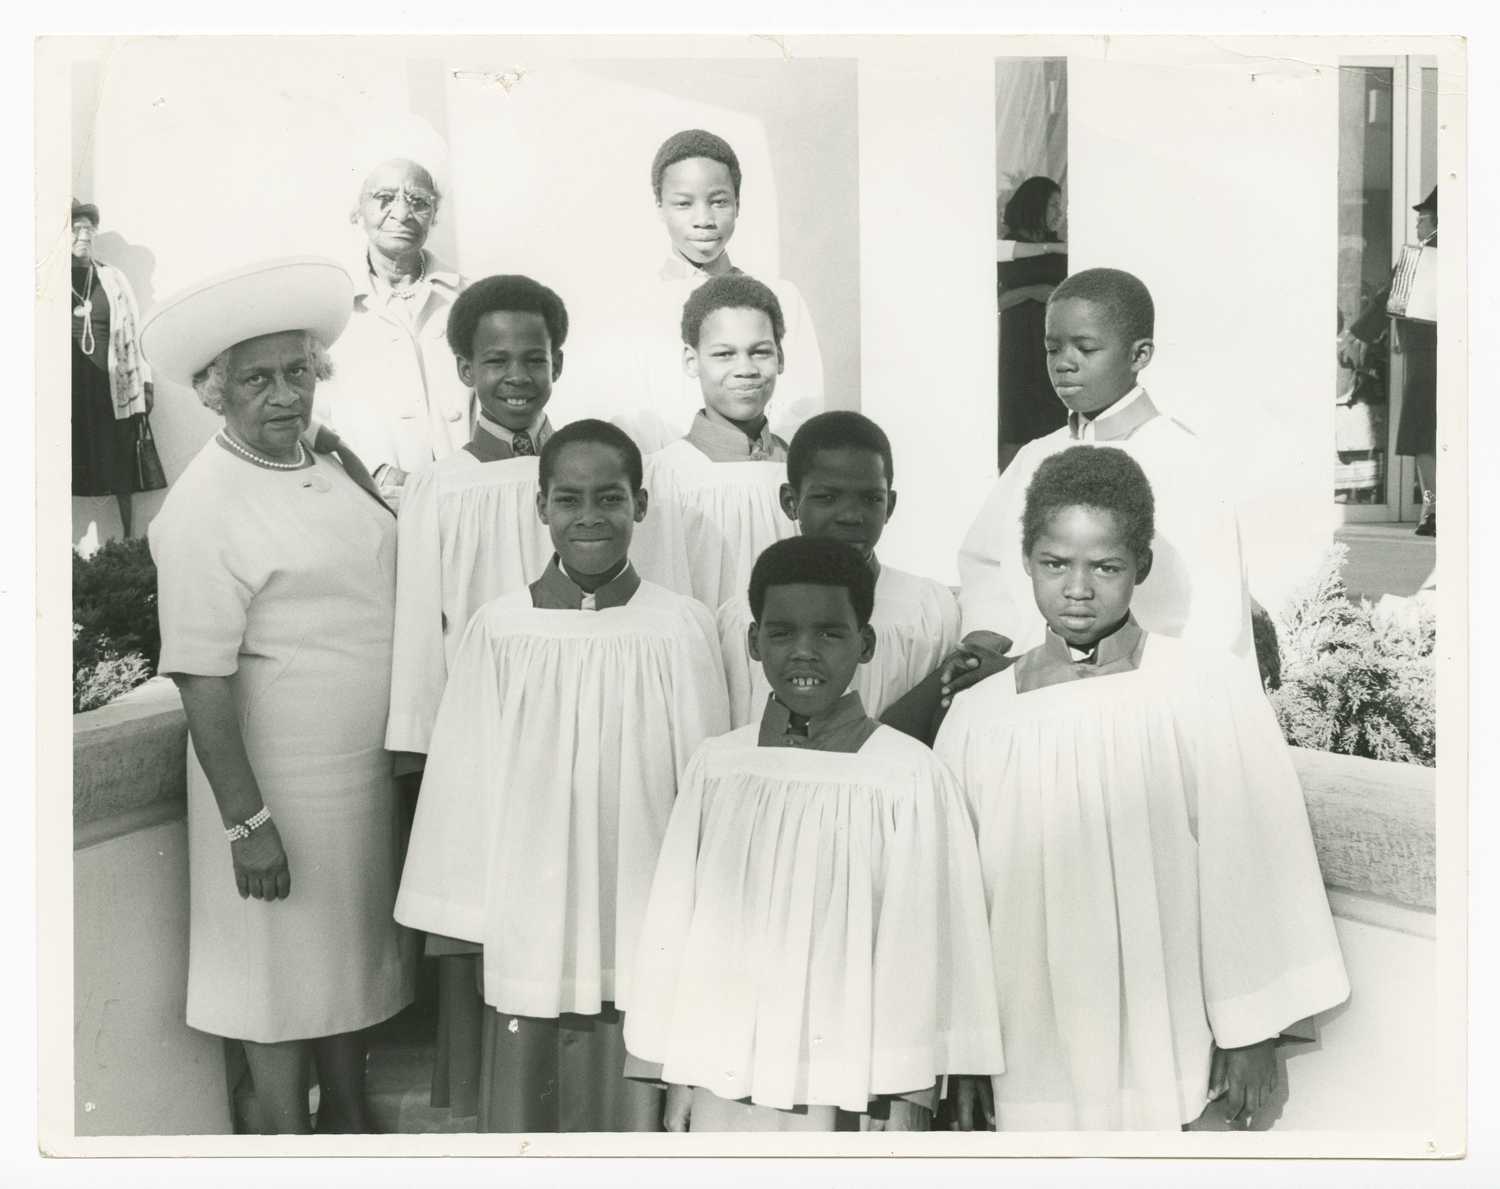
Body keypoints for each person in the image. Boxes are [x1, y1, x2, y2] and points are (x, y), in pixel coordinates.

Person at [935, 447, 1348, 1131]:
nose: (1077, 588)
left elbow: (1248, 856)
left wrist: (1251, 1029)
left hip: (1163, 1015)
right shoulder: (981, 716)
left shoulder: (1201, 689)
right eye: (1054, 564)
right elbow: (952, 896)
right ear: (1026, 560)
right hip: (1023, 1030)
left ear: (1142, 567)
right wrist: (965, 1051)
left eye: (1106, 567)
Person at [394, 420, 731, 1132]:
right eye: (569, 498)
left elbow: (708, 790)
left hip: (642, 908)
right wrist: (468, 932)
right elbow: (464, 792)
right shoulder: (500, 630)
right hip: (530, 909)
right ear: (540, 507)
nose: (589, 517)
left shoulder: (680, 627)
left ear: (641, 505)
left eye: (610, 498)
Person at [142, 257, 414, 1134]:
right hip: (274, 790)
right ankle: (285, 1147)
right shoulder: (200, 506)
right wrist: (247, 823)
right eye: (257, 378)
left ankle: (345, 1114)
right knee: (273, 981)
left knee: (339, 971)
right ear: (216, 391)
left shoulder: (326, 463)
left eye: (298, 371)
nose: (284, 393)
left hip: (355, 781)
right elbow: (199, 675)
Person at [624, 538, 1004, 1132]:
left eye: (830, 634)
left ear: (866, 643)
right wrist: (678, 1074)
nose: (804, 653)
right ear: (753, 642)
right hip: (726, 1067)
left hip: (859, 1078)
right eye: (781, 633)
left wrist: (909, 1095)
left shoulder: (908, 774)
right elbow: (678, 926)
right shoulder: (718, 767)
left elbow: (930, 944)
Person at [888, 267, 1251, 743]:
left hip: (1130, 702)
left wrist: (1041, 667)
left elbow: (1207, 617)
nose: (1064, 363)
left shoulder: (1183, 462)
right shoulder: (1038, 454)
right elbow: (986, 563)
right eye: (1053, 348)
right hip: (1014, 685)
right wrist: (985, 642)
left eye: (1086, 348)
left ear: (1139, 354)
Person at [383, 273, 569, 1118]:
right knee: (488, 914)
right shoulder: (444, 486)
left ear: (557, 361)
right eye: (496, 359)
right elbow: (422, 629)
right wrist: (422, 754)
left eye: (534, 356)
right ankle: (496, 1106)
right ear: (463, 368)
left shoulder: (590, 471)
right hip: (483, 738)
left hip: (576, 727)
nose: (518, 376)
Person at [716, 411, 961, 725]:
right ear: (791, 502)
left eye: (871, 498)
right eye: (827, 497)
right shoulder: (743, 617)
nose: (851, 516)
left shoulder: (929, 609)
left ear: (890, 506)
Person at [610, 129, 825, 453]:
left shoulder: (781, 296)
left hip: (765, 473)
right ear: (659, 206)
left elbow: (803, 406)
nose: (704, 220)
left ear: (738, 203)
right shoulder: (638, 307)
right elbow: (631, 417)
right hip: (670, 484)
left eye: (719, 202)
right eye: (683, 204)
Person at [316, 152, 471, 509]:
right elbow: (312, 418)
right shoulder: (329, 307)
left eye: (418, 201)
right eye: (384, 199)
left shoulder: (469, 298)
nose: (401, 213)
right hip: (374, 500)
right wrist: (374, 471)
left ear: (435, 214)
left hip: (468, 497)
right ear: (357, 210)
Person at [634, 273, 799, 609]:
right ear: (691, 361)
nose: (746, 369)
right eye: (724, 354)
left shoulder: (801, 469)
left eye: (760, 352)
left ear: (780, 357)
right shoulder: (663, 478)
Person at [1347, 186, 1438, 536]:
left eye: (1421, 216)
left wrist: (1358, 335)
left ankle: (1434, 509)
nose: (1417, 223)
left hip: (1426, 355)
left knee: (1422, 434)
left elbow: (1392, 296)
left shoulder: (1427, 249)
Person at [70, 199, 161, 537]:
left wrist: (146, 383)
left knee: (122, 460)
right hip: (72, 385)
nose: (83, 234)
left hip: (114, 385)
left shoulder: (112, 277)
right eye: (76, 228)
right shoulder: (49, 279)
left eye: (88, 228)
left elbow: (135, 331)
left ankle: (129, 537)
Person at [997, 177, 1069, 469]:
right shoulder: (1007, 250)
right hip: (1015, 349)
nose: (1058, 212)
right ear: (1035, 204)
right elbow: (993, 302)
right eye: (1053, 204)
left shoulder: (1062, 249)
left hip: (1053, 345)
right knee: (1016, 424)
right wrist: (1032, 292)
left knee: (1053, 425)